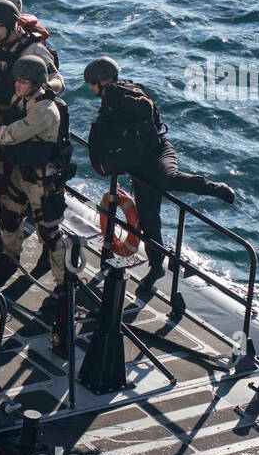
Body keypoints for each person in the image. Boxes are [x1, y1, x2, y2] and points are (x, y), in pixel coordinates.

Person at [83, 56, 236, 286]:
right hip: (139, 164)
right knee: (148, 219)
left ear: (102, 82)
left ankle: (215, 188)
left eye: (93, 84)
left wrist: (117, 94)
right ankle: (157, 267)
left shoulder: (128, 93)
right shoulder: (109, 106)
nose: (91, 89)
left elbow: (145, 109)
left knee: (167, 178)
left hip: (159, 152)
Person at [0, 55, 73, 285]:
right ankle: (9, 257)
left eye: (23, 81)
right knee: (10, 215)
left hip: (41, 179)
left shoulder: (44, 110)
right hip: (22, 172)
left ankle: (64, 284)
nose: (17, 84)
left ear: (35, 83)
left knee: (50, 233)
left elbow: (7, 135)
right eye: (16, 80)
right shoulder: (23, 98)